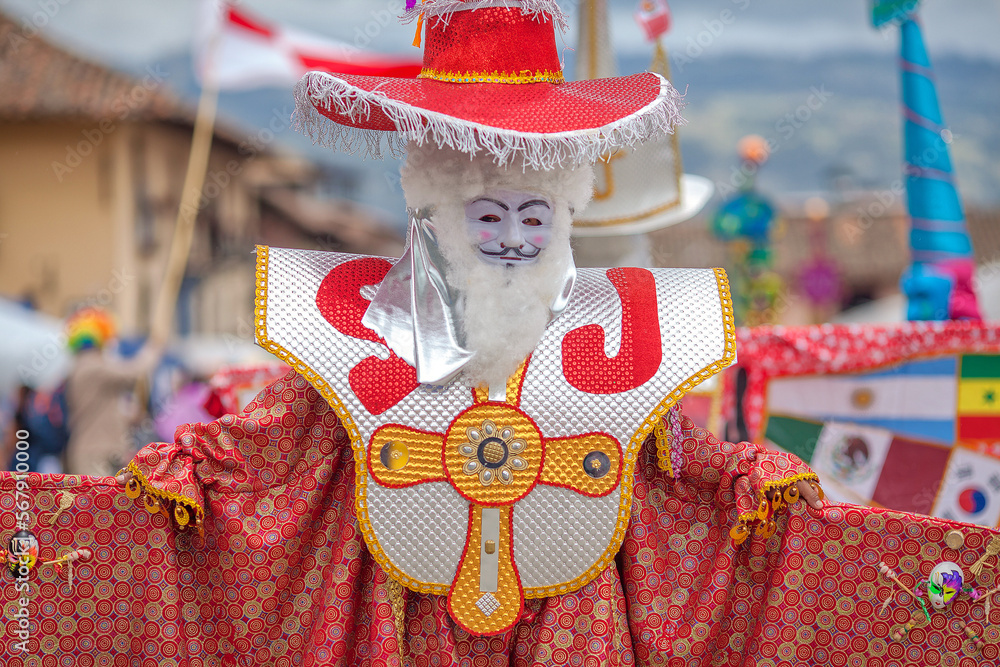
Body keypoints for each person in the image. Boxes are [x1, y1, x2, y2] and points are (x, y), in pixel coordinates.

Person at [118, 2, 826, 661]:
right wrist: (174, 484)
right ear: (438, 211)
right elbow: (269, 453)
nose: (514, 238)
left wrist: (755, 481)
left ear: (564, 216)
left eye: (535, 217)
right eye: (488, 215)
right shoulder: (351, 321)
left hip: (572, 628)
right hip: (406, 624)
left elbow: (683, 470)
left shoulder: (624, 323)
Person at [63, 307, 161, 476]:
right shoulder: (92, 366)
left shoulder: (82, 367)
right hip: (96, 452)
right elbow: (134, 371)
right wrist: (152, 350)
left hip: (102, 449)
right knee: (97, 493)